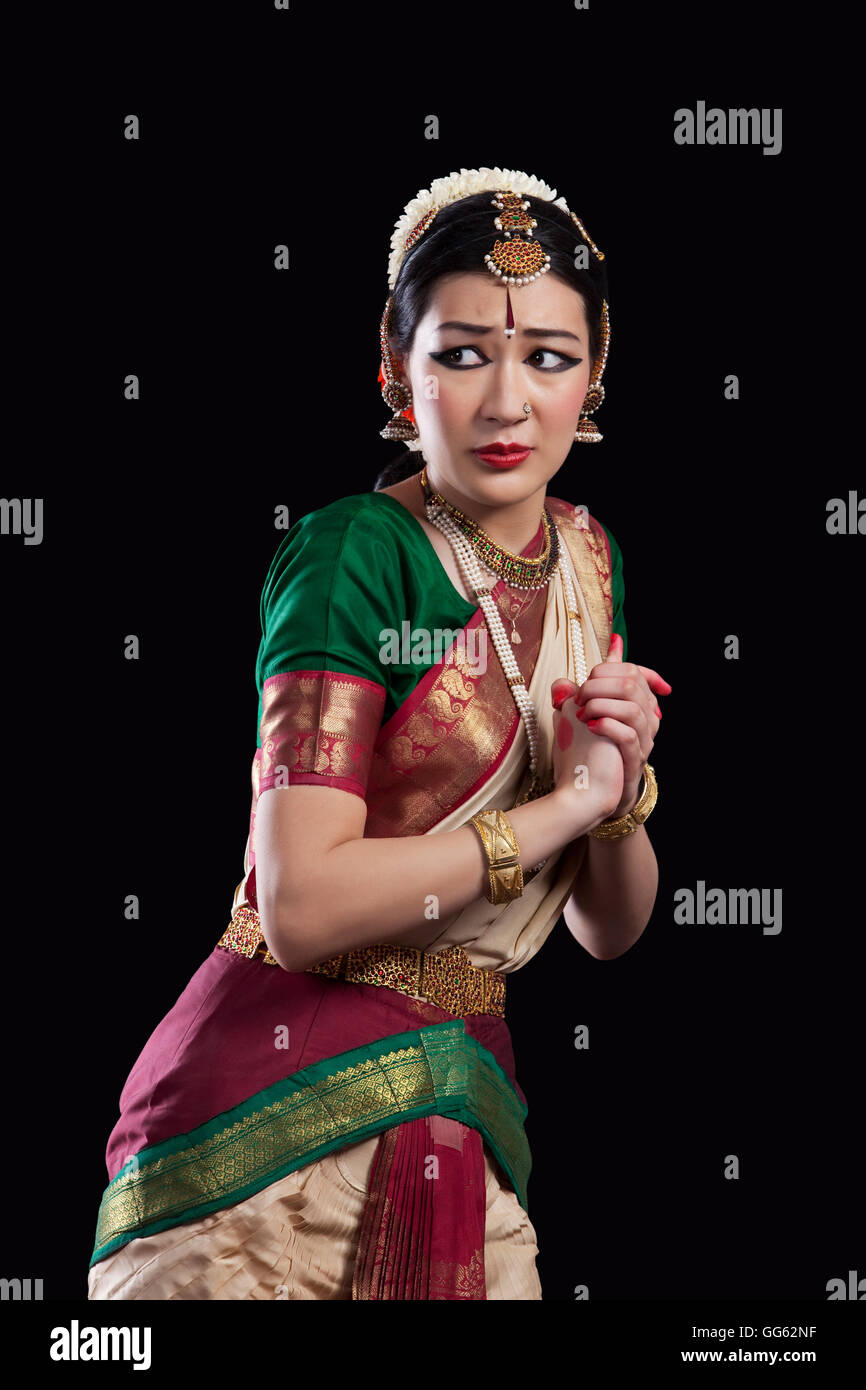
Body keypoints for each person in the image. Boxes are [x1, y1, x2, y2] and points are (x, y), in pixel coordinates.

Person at [87, 166, 670, 1301]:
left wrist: (620, 797)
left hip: (464, 1104)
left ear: (593, 375)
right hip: (264, 1143)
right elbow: (301, 909)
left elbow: (608, 929)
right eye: (461, 353)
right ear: (398, 373)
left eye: (547, 357)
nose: (506, 401)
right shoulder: (352, 552)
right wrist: (558, 810)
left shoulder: (590, 563)